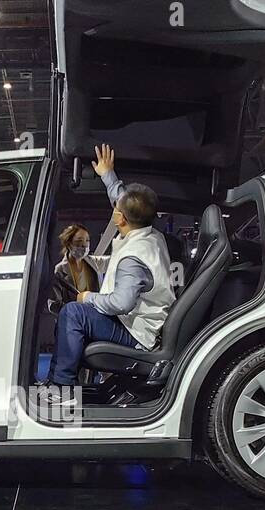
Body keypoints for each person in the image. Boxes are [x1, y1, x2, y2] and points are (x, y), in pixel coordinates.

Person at [46, 144, 174, 392]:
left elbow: (121, 303)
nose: (114, 208)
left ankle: (62, 389)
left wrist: (87, 297)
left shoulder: (133, 258)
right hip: (141, 325)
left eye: (116, 209)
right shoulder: (149, 233)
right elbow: (123, 199)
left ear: (120, 219)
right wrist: (108, 175)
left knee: (74, 312)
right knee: (75, 311)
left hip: (136, 335)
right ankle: (60, 381)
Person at [51, 223, 100, 308]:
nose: (84, 245)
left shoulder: (92, 263)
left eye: (87, 240)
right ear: (69, 244)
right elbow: (53, 304)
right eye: (79, 241)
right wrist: (73, 311)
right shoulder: (60, 270)